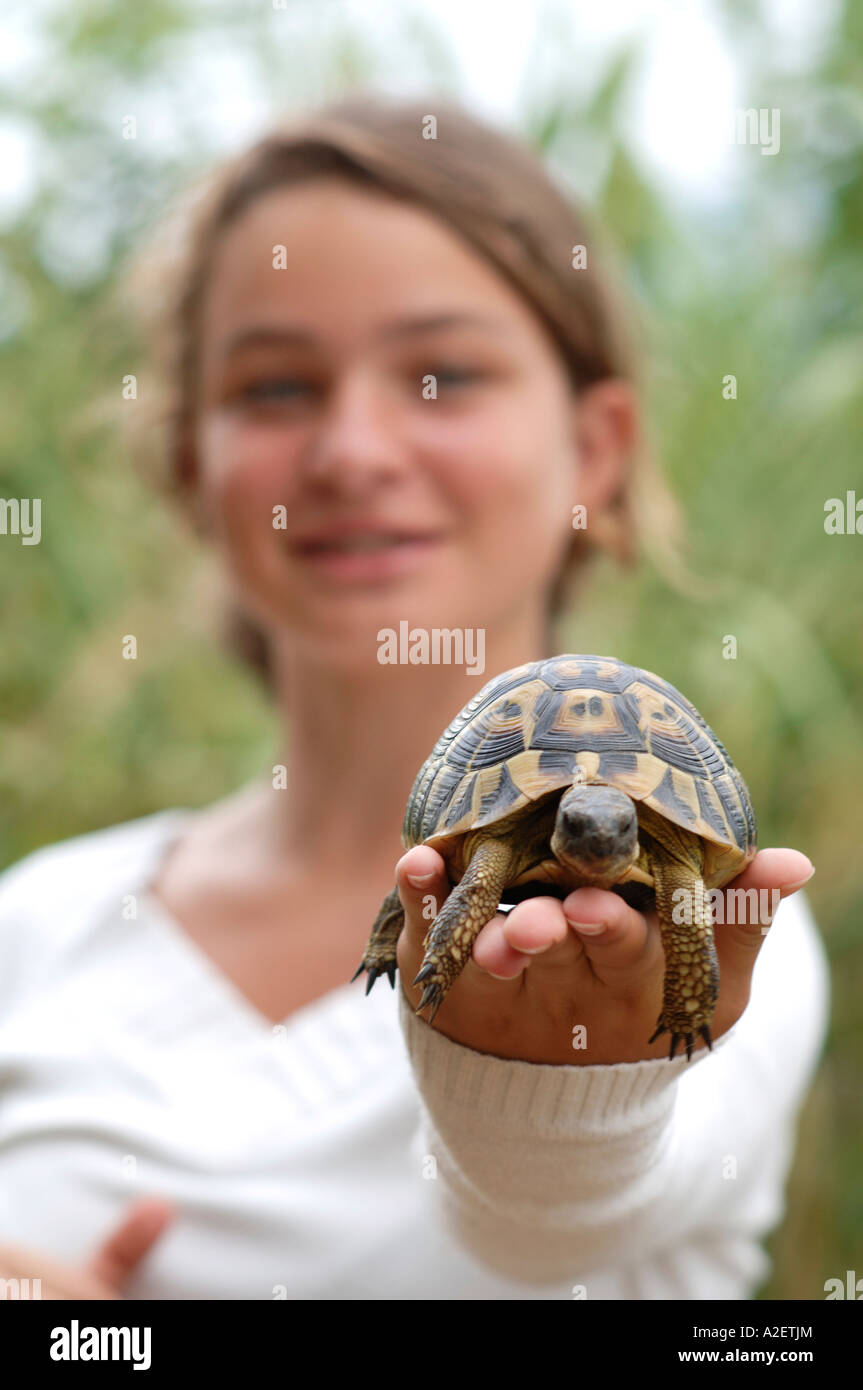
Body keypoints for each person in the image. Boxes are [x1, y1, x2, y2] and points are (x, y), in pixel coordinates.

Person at [0, 94, 828, 1300]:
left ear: (592, 449)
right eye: (275, 387)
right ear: (192, 460)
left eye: (441, 375)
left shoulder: (743, 930)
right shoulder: (38, 924)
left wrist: (561, 1093)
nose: (351, 451)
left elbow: (558, 1226)